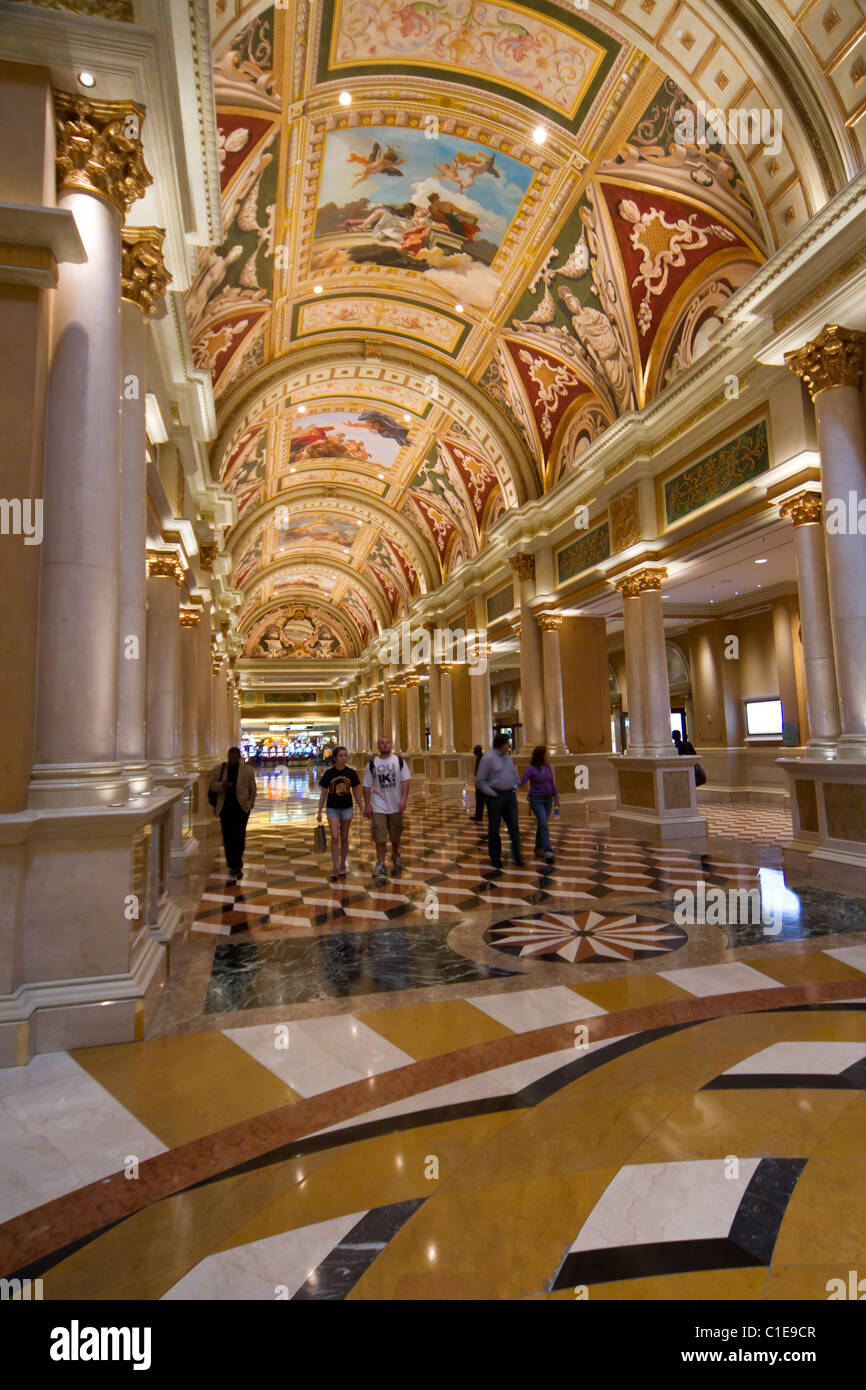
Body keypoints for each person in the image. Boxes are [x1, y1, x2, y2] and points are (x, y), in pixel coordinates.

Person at [362, 735, 410, 880]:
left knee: (395, 835)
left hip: (395, 805)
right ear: (378, 746)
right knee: (380, 836)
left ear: (391, 744)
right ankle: (381, 862)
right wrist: (368, 804)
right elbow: (366, 786)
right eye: (382, 743)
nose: (384, 745)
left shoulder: (399, 761)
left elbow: (405, 781)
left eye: (387, 742)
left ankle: (396, 854)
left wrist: (403, 800)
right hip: (379, 806)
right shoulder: (372, 764)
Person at [476, 733, 524, 870]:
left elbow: (514, 774)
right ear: (502, 745)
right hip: (495, 797)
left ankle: (517, 855)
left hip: (509, 796)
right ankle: (495, 857)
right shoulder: (488, 758)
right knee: (494, 827)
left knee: (514, 826)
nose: (509, 745)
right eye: (507, 743)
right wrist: (491, 793)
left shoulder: (508, 758)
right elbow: (480, 780)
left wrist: (514, 786)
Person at [209, 746, 257, 882]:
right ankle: (231, 863)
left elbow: (253, 789)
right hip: (225, 809)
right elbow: (212, 786)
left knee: (239, 836)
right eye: (231, 758)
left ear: (240, 758)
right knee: (228, 836)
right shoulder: (221, 769)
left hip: (241, 809)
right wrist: (221, 786)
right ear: (228, 757)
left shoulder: (247, 771)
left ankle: (238, 863)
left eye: (236, 758)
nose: (233, 760)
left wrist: (249, 805)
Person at [317, 746, 363, 880]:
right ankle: (335, 866)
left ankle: (343, 863)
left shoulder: (351, 773)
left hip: (347, 808)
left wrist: (361, 807)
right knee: (335, 837)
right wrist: (319, 811)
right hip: (332, 808)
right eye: (341, 756)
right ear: (335, 758)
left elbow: (356, 792)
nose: (344, 758)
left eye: (345, 755)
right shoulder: (329, 774)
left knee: (344, 837)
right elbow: (323, 793)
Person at [518, 746, 560, 864]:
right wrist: (511, 785)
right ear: (541, 756)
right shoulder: (531, 769)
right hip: (536, 800)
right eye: (547, 754)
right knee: (543, 824)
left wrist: (556, 795)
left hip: (548, 799)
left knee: (542, 824)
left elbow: (551, 782)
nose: (548, 756)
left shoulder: (548, 768)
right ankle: (548, 851)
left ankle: (538, 848)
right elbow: (522, 782)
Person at [471, 744, 486, 822]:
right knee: (480, 800)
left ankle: (478, 816)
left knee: (480, 800)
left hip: (481, 783)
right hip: (481, 782)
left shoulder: (481, 758)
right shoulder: (480, 758)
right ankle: (478, 815)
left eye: (474, 750)